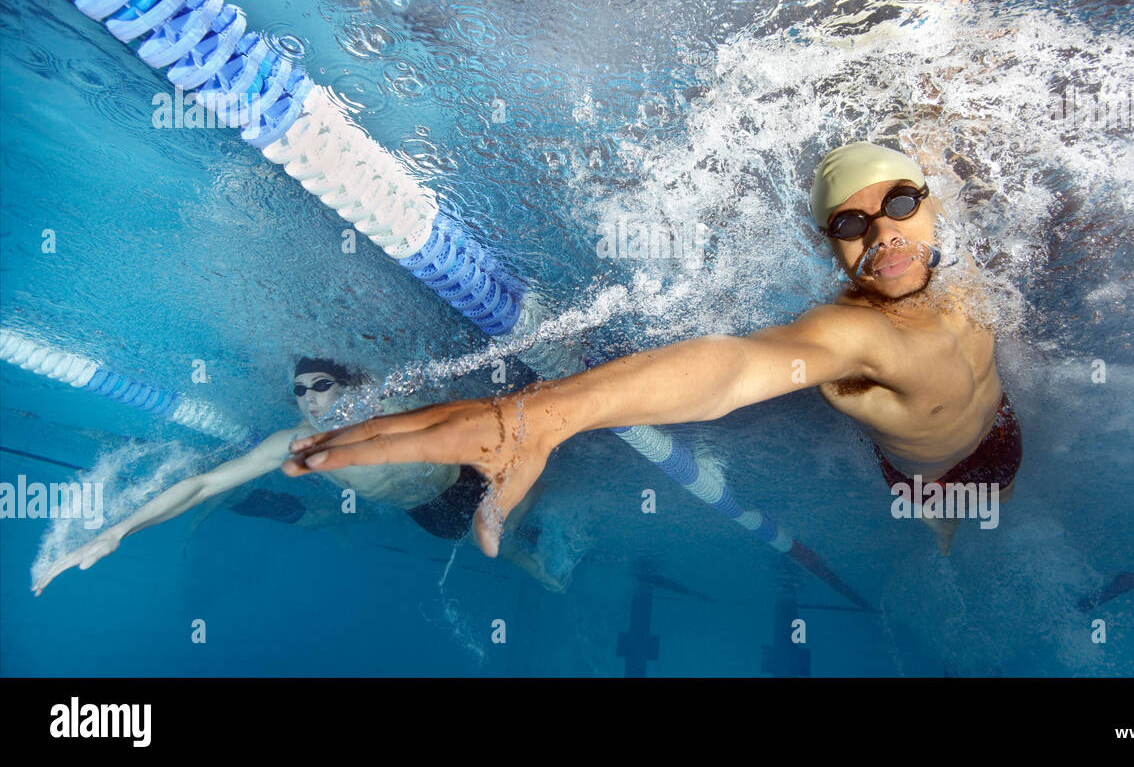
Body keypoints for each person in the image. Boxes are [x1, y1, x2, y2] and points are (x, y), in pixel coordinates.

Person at [283, 140, 1023, 555]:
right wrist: (543, 414)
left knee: (1004, 505)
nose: (885, 234)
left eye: (899, 203)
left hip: (1003, 431)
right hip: (926, 479)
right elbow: (732, 369)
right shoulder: (856, 334)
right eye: (850, 225)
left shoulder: (948, 241)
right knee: (959, 550)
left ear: (930, 199)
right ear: (826, 246)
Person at [33, 357, 573, 595]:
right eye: (300, 391)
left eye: (320, 386)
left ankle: (527, 524)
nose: (309, 399)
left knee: (515, 506)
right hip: (425, 514)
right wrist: (118, 531)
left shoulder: (399, 407)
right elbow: (202, 486)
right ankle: (518, 553)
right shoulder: (291, 444)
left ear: (347, 385)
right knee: (482, 540)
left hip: (466, 480)